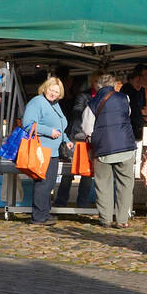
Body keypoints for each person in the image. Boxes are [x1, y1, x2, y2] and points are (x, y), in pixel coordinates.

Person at [81, 73, 138, 228]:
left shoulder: (92, 103)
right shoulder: (124, 98)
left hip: (103, 148)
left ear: (97, 86)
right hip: (126, 145)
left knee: (103, 184)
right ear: (113, 85)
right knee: (125, 184)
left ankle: (105, 219)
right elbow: (128, 115)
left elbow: (87, 128)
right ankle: (121, 220)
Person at [21, 77, 69, 226]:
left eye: (56, 91)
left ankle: (44, 213)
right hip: (41, 150)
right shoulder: (37, 102)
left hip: (53, 151)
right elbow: (28, 124)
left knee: (49, 184)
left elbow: (60, 127)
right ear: (45, 88)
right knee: (43, 184)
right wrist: (49, 131)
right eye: (51, 90)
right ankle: (38, 217)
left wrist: (66, 140)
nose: (53, 93)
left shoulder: (54, 104)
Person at [57, 73, 96, 209]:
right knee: (69, 172)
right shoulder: (84, 96)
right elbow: (77, 113)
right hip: (77, 137)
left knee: (87, 173)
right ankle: (60, 203)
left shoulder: (103, 98)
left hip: (91, 138)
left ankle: (83, 205)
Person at [122, 64, 147, 142]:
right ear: (131, 80)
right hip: (130, 130)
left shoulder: (141, 90)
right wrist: (145, 123)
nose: (146, 78)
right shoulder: (127, 90)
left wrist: (146, 113)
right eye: (145, 75)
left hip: (137, 128)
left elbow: (141, 109)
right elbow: (132, 112)